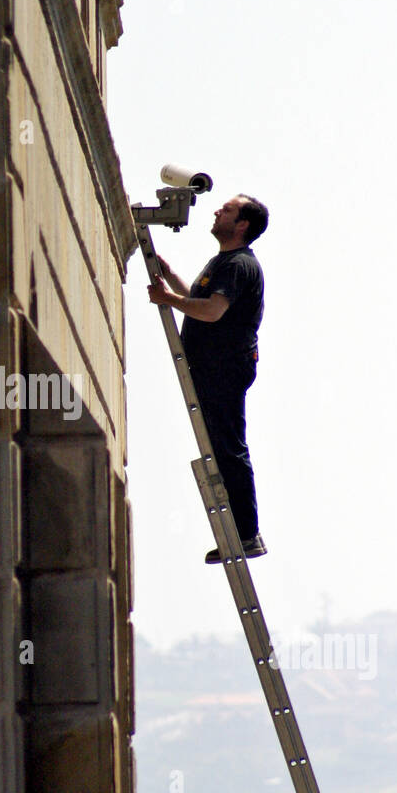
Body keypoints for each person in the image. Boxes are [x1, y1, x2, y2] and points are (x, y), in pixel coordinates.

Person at [147, 193, 269, 564]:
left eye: (228, 210)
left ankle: (247, 534)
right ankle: (242, 532)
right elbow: (201, 303)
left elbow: (213, 312)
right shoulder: (224, 262)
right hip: (216, 366)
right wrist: (171, 283)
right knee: (221, 446)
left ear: (243, 224)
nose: (218, 211)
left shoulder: (237, 264)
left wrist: (168, 300)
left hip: (225, 366)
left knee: (228, 448)